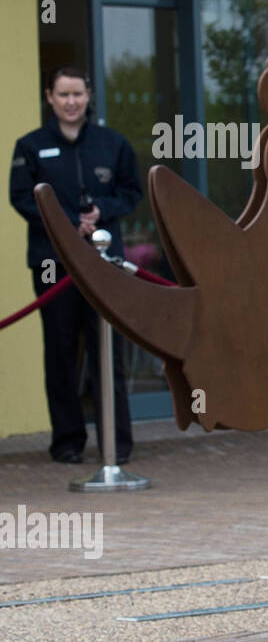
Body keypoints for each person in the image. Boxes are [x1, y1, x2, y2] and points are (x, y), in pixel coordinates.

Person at [9, 66, 142, 464]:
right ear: (49, 97)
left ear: (88, 97)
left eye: (78, 95)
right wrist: (69, 221)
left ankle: (116, 443)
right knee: (61, 352)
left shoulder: (112, 144)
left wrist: (101, 212)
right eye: (63, 95)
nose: (71, 102)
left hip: (104, 264)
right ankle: (67, 442)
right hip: (53, 266)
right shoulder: (30, 146)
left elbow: (131, 192)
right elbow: (23, 198)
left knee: (108, 352)